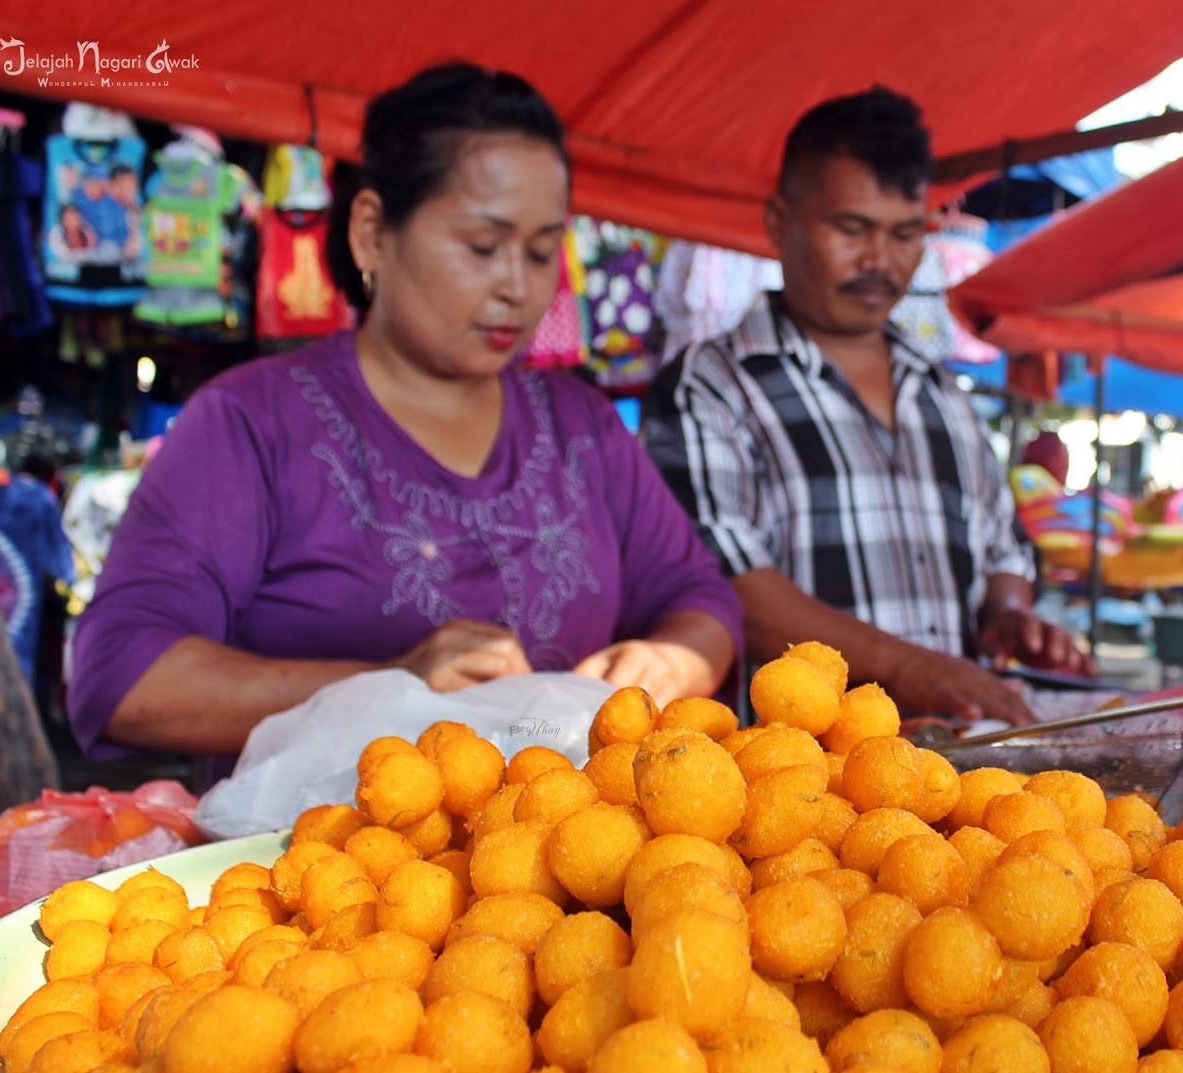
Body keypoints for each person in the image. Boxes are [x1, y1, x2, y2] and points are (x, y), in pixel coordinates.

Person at [69, 63, 741, 775]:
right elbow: (124, 677)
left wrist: (669, 660)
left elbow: (700, 599)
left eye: (543, 251)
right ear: (370, 233)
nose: (518, 285)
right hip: (316, 869)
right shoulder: (250, 424)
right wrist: (389, 685)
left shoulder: (583, 425)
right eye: (483, 247)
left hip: (563, 858)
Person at [642, 87, 1089, 727]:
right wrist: (913, 669)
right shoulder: (709, 385)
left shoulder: (941, 391)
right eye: (852, 230)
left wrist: (1010, 615)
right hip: (803, 792)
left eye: (905, 234)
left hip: (955, 779)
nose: (880, 260)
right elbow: (726, 589)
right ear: (779, 221)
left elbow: (1003, 551)